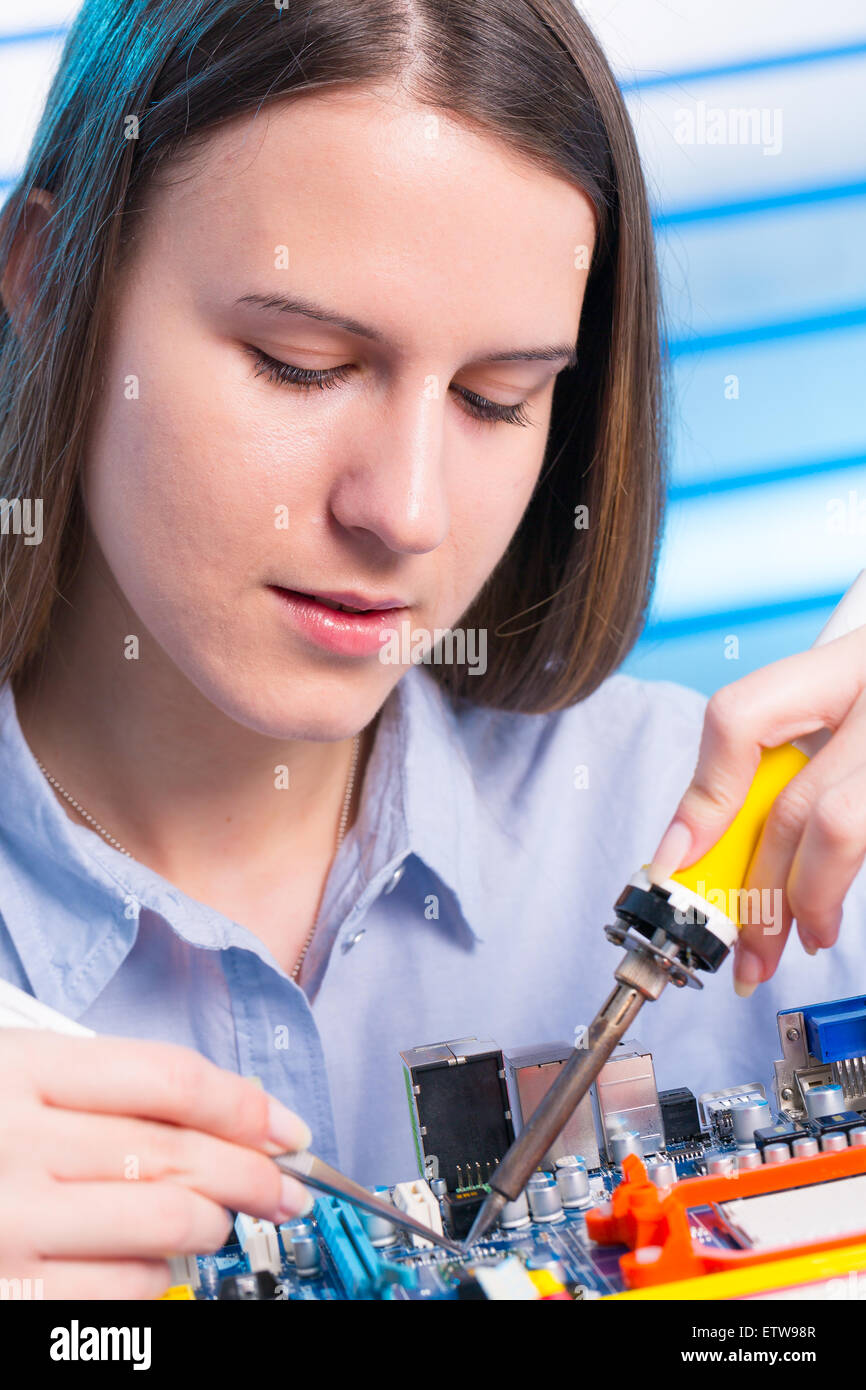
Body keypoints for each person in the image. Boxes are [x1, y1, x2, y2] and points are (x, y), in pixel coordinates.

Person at [0, 0, 863, 1300]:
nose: (401, 511)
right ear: (41, 279)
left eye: (493, 400)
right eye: (299, 365)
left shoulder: (765, 846)